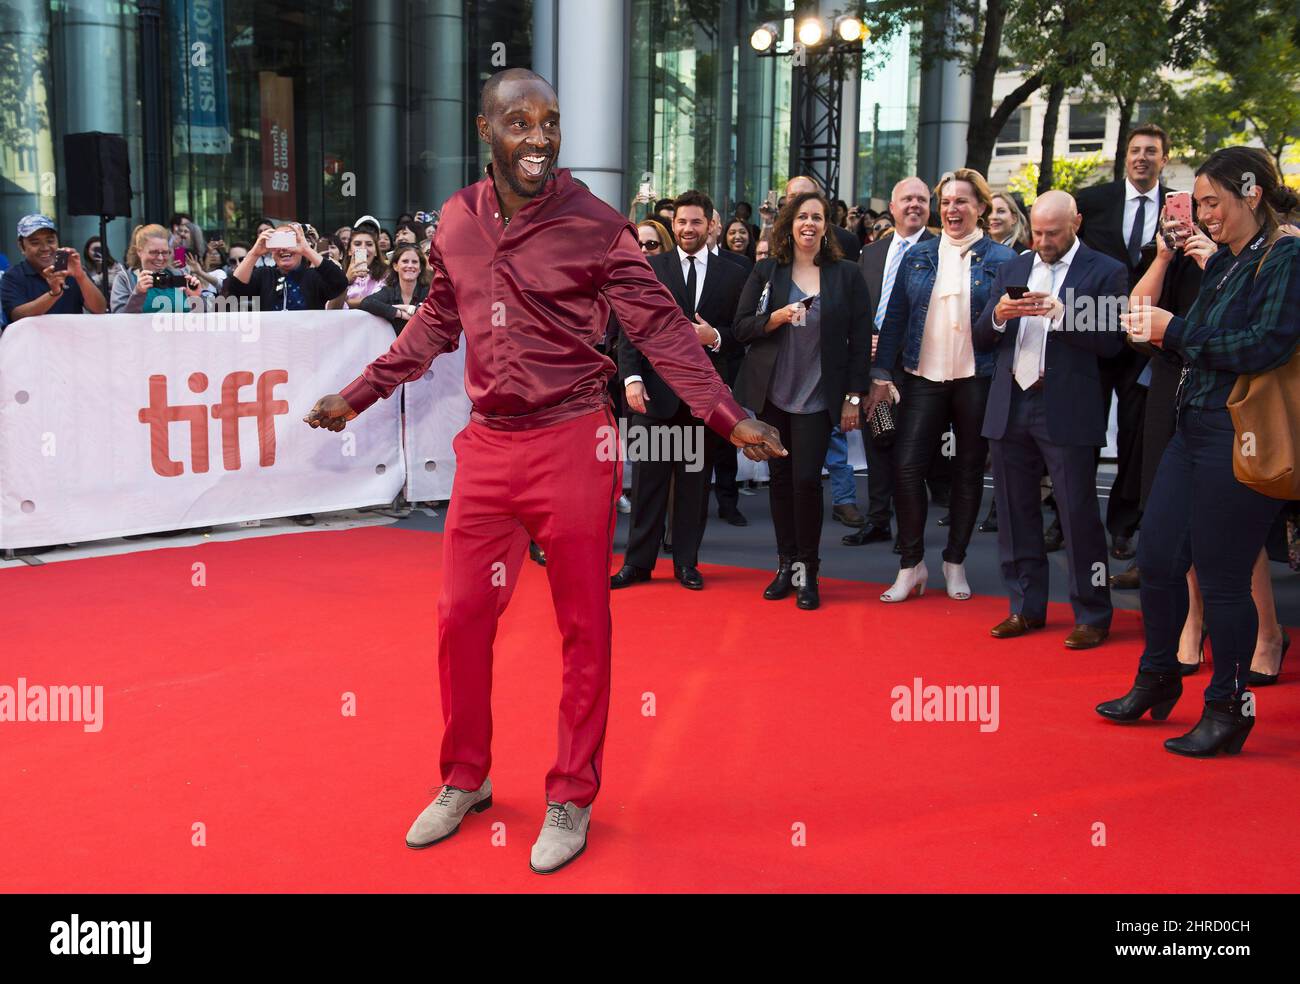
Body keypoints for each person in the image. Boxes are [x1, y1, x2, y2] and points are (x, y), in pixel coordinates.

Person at [302, 68, 783, 873]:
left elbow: (663, 331)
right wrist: (356, 397)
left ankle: (571, 794)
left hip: (573, 440)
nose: (540, 138)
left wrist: (728, 417)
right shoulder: (457, 218)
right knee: (460, 617)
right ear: (485, 130)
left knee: (582, 626)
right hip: (488, 447)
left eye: (551, 122)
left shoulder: (596, 226)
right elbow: (433, 324)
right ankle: (465, 778)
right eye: (520, 123)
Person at [1097, 146, 1300, 755]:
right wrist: (1161, 336)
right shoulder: (1230, 260)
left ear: (1252, 193)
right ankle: (1159, 677)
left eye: (1213, 201)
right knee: (1158, 560)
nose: (1203, 214)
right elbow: (1201, 342)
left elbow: (1266, 345)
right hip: (1194, 427)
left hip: (1241, 434)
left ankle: (1228, 707)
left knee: (1223, 578)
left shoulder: (1286, 253)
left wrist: (1174, 330)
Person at [975, 191, 1128, 649]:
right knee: (1015, 512)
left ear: (1076, 223)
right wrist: (999, 317)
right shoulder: (1014, 267)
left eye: (1052, 233)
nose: (1042, 241)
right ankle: (1024, 608)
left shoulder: (1106, 270)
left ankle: (1093, 613)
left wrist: (1065, 315)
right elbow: (982, 335)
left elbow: (1114, 343)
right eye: (1037, 232)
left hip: (1066, 406)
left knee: (1078, 514)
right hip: (1011, 402)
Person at [866, 169, 1017, 602]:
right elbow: (893, 319)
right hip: (922, 376)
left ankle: (955, 561)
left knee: (967, 472)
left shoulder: (1005, 260)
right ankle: (911, 565)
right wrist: (880, 373)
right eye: (946, 201)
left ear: (981, 209)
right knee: (907, 467)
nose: (952, 209)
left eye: (962, 202)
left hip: (978, 378)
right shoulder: (918, 255)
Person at [733, 190, 872, 609]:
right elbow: (741, 327)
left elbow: (861, 338)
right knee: (779, 482)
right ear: (789, 224)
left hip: (817, 396)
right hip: (773, 393)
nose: (809, 223)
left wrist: (853, 396)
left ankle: (808, 571)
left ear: (826, 225)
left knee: (807, 482)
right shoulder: (767, 272)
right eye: (802, 216)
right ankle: (785, 565)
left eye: (817, 216)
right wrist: (775, 318)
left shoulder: (846, 274)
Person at [612, 189, 749, 591]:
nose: (688, 228)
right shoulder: (652, 268)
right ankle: (637, 564)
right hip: (653, 394)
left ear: (710, 225)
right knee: (648, 486)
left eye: (696, 222)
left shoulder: (735, 274)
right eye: (682, 222)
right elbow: (630, 327)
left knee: (693, 486)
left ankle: (686, 563)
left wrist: (716, 337)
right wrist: (631, 378)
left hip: (703, 401)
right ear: (674, 226)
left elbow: (742, 336)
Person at [1076, 124, 1174, 562]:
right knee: (1082, 428)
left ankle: (1123, 524)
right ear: (1125, 157)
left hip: (1147, 335)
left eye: (1151, 151)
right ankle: (1069, 517)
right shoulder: (1093, 201)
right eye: (1135, 151)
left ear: (1164, 159)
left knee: (1136, 433)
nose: (1141, 158)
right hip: (1092, 327)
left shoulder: (1178, 207)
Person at [846, 177, 935, 550]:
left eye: (921, 199)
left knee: (911, 449)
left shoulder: (941, 250)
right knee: (878, 441)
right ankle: (878, 520)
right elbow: (860, 306)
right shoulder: (872, 253)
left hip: (918, 367)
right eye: (907, 199)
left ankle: (910, 530)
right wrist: (865, 340)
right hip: (876, 366)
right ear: (893, 207)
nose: (914, 205)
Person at [1, 215, 107, 327]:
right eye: (35, 243)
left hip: (73, 340)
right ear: (22, 247)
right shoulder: (13, 276)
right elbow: (17, 315)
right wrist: (54, 293)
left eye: (50, 241)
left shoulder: (71, 270)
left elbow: (99, 309)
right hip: (31, 343)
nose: (45, 248)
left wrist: (81, 276)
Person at [223, 222, 347, 313]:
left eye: (289, 241)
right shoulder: (264, 275)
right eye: (277, 241)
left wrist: (307, 250)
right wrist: (254, 253)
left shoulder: (314, 276)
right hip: (272, 343)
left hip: (307, 344)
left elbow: (340, 283)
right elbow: (235, 289)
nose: (283, 248)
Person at [120, 225, 209, 314]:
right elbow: (118, 320)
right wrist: (138, 294)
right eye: (154, 252)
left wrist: (196, 298)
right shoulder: (125, 279)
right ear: (139, 251)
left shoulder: (179, 275)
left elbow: (202, 317)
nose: (160, 258)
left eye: (165, 252)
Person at [359, 243, 429, 333]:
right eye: (405, 261)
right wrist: (399, 313)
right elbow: (366, 303)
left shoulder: (429, 291)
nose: (410, 265)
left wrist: (409, 309)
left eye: (414, 262)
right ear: (395, 266)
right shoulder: (389, 291)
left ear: (420, 268)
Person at [326, 225, 387, 310]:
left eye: (369, 244)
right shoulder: (337, 274)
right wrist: (346, 281)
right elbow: (331, 309)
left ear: (376, 251)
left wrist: (348, 301)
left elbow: (383, 302)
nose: (363, 248)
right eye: (357, 244)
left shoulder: (386, 275)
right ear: (350, 251)